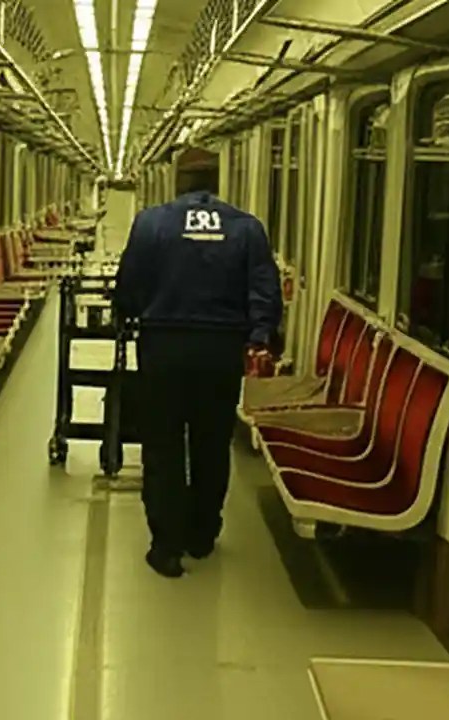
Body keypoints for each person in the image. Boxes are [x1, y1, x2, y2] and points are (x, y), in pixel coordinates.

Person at [114, 145, 282, 578]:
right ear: (217, 181)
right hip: (220, 351)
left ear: (179, 180)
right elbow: (264, 290)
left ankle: (166, 547)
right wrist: (258, 335)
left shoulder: (151, 223)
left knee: (164, 445)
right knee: (211, 444)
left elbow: (129, 285)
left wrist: (127, 311)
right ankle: (203, 534)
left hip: (163, 348)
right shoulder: (247, 228)